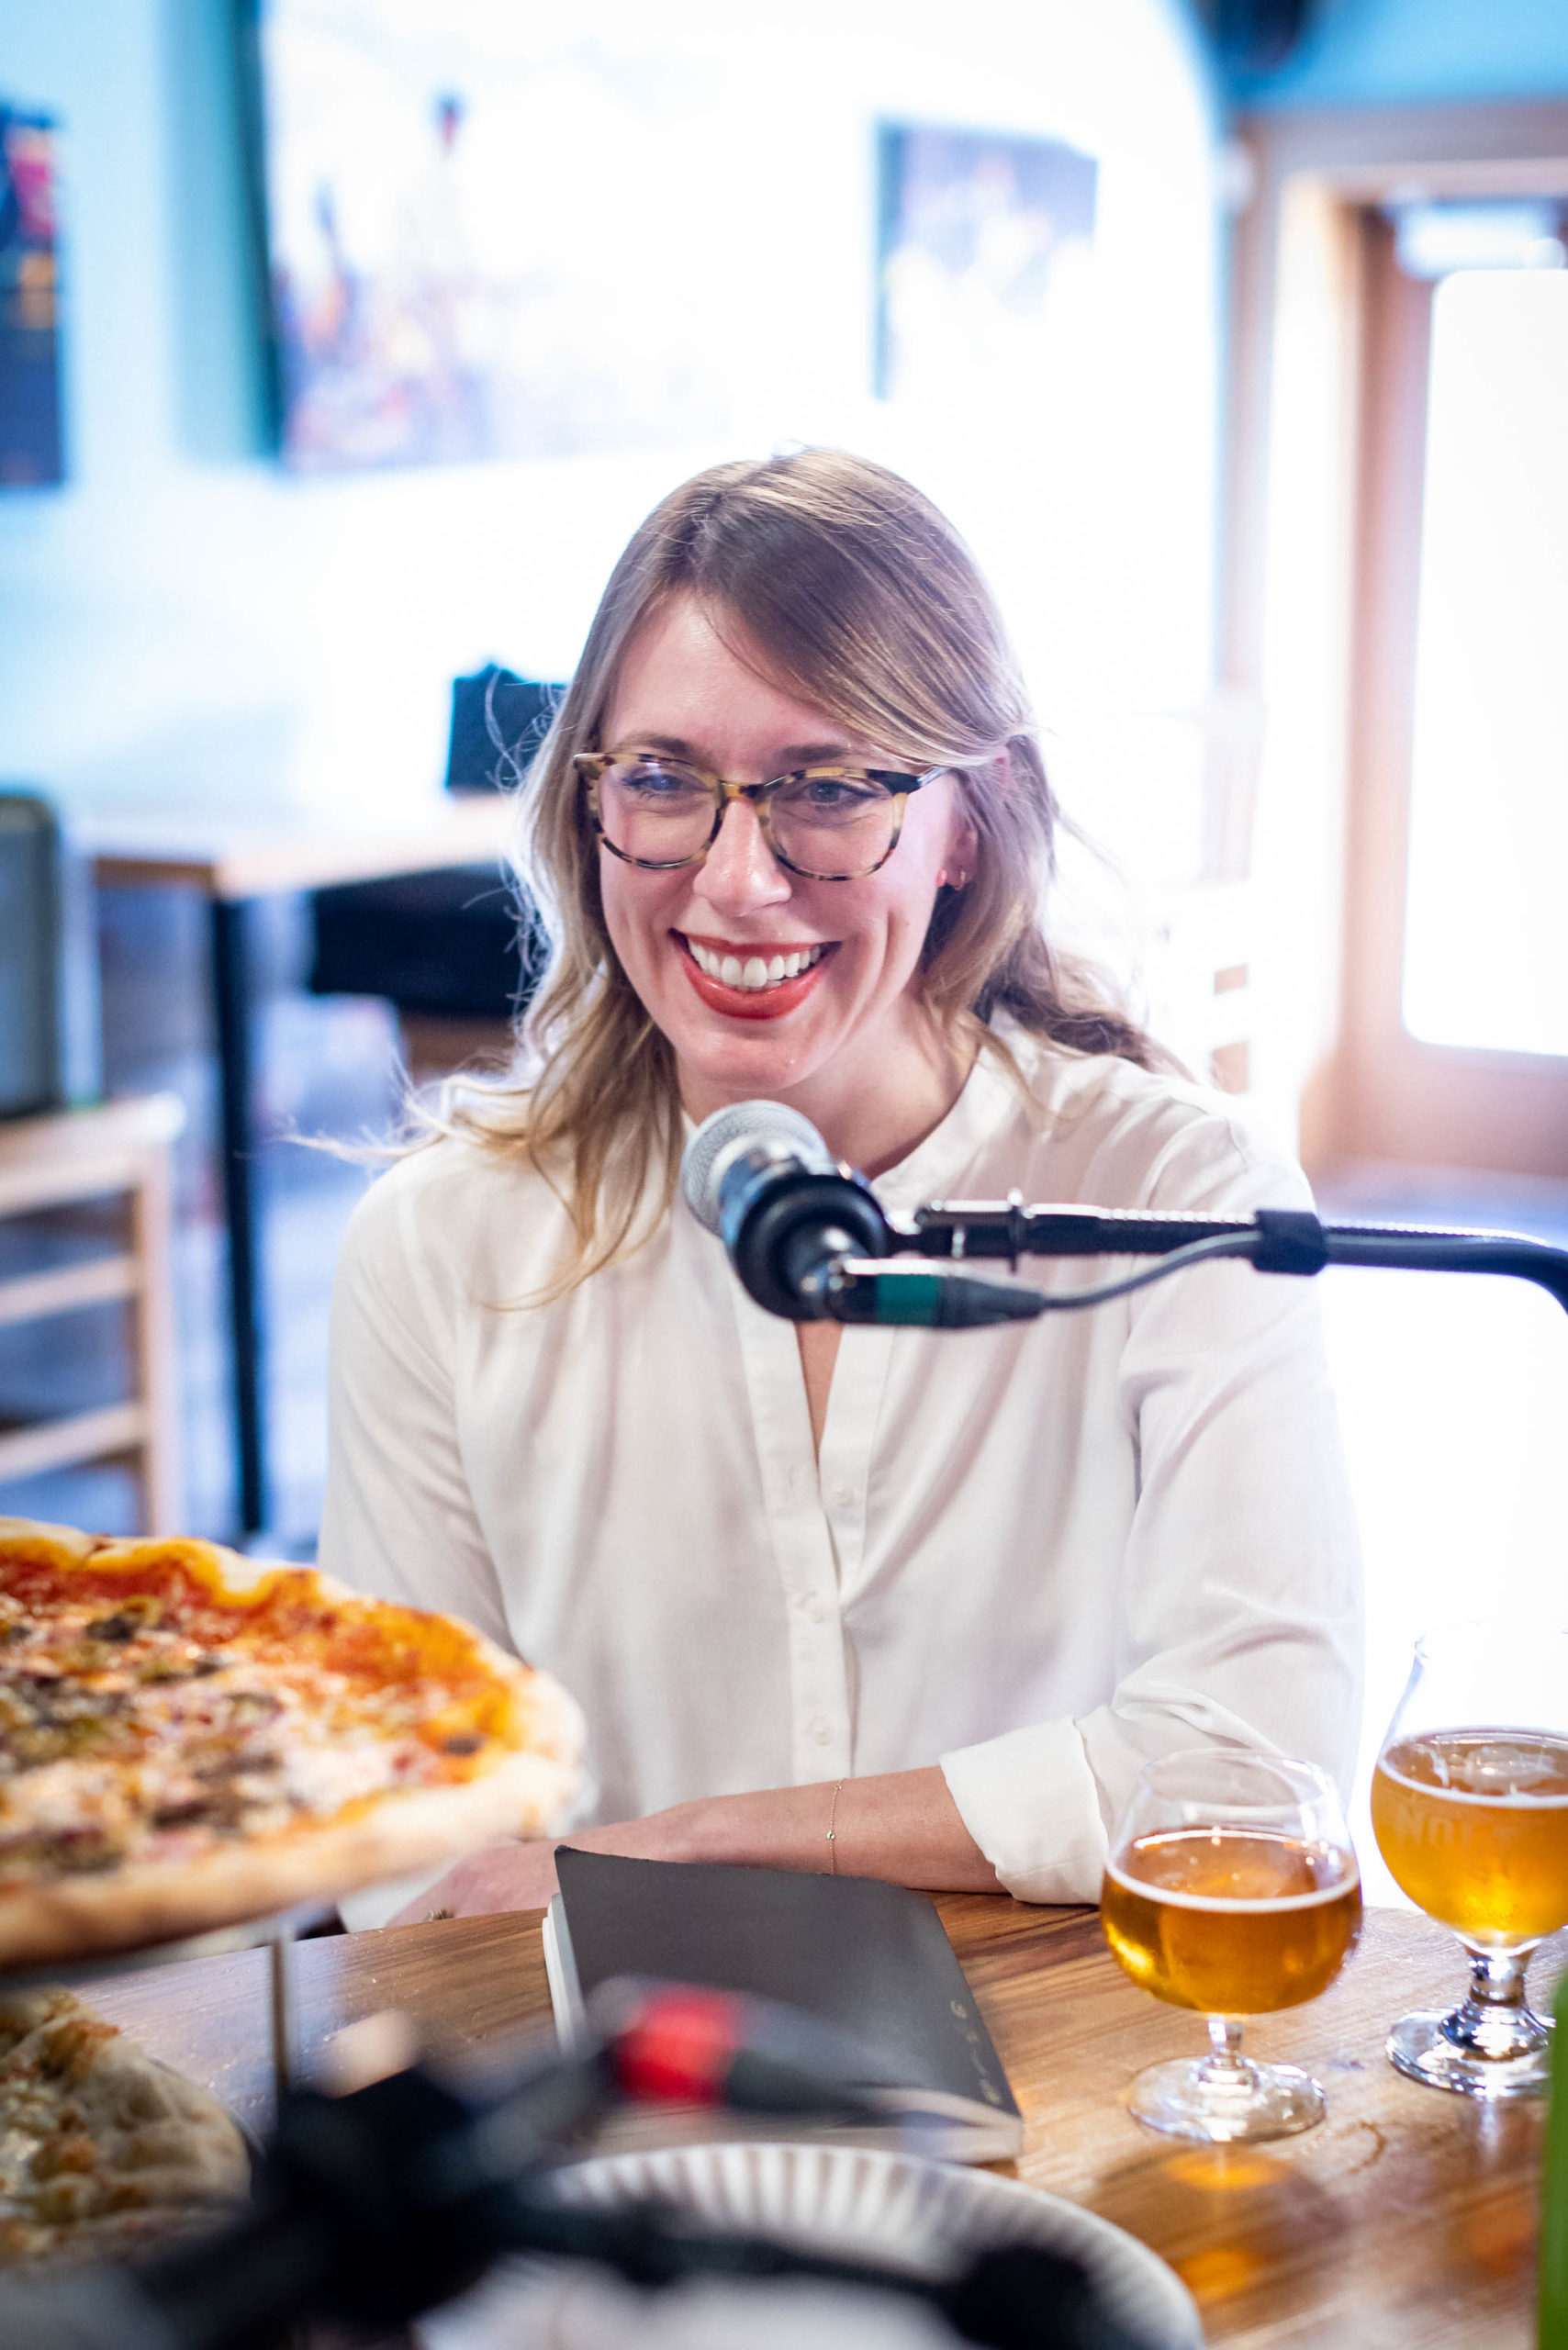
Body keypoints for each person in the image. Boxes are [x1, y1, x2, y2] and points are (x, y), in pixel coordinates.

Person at [319, 449, 1361, 1926]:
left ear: (968, 825)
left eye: (827, 789)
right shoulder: (438, 1248)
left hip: (1071, 2078)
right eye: (668, 780)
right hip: (611, 2101)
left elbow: (1260, 1778)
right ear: (589, 801)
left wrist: (674, 1851)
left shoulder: (1184, 1201)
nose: (739, 878)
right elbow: (412, 1847)